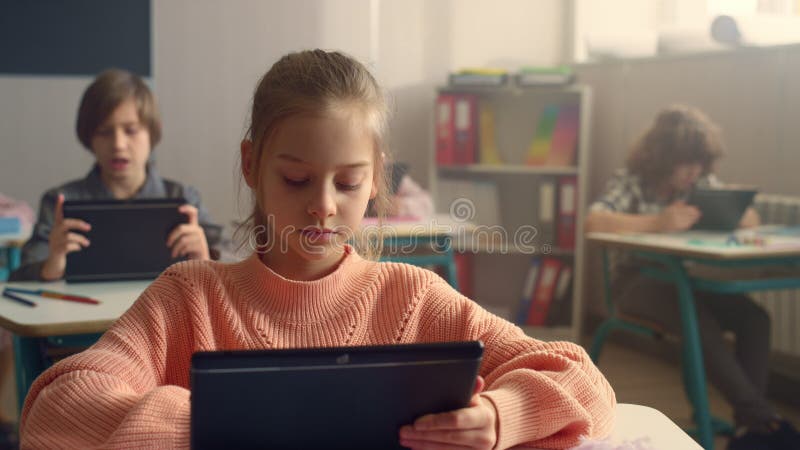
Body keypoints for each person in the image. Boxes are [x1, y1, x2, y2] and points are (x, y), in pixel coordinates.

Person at [20, 50, 615, 449]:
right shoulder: (189, 298)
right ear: (252, 165)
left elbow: (581, 378)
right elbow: (51, 410)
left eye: (349, 183)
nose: (324, 206)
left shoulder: (412, 297)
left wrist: (498, 417)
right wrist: (219, 426)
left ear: (377, 177)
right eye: (297, 180)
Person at [585, 105, 800, 450]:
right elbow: (595, 221)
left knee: (755, 318)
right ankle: (761, 419)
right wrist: (657, 223)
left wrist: (739, 214)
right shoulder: (632, 180)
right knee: (696, 319)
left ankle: (750, 429)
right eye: (686, 163)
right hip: (635, 282)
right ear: (662, 157)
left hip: (683, 281)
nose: (694, 172)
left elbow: (752, 219)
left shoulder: (699, 182)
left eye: (700, 164)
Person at [10, 68, 220, 282]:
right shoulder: (60, 202)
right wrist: (51, 264)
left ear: (153, 133)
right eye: (105, 132)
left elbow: (236, 262)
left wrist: (204, 256)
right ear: (89, 137)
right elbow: (17, 279)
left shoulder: (183, 198)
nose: (118, 145)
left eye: (131, 131)